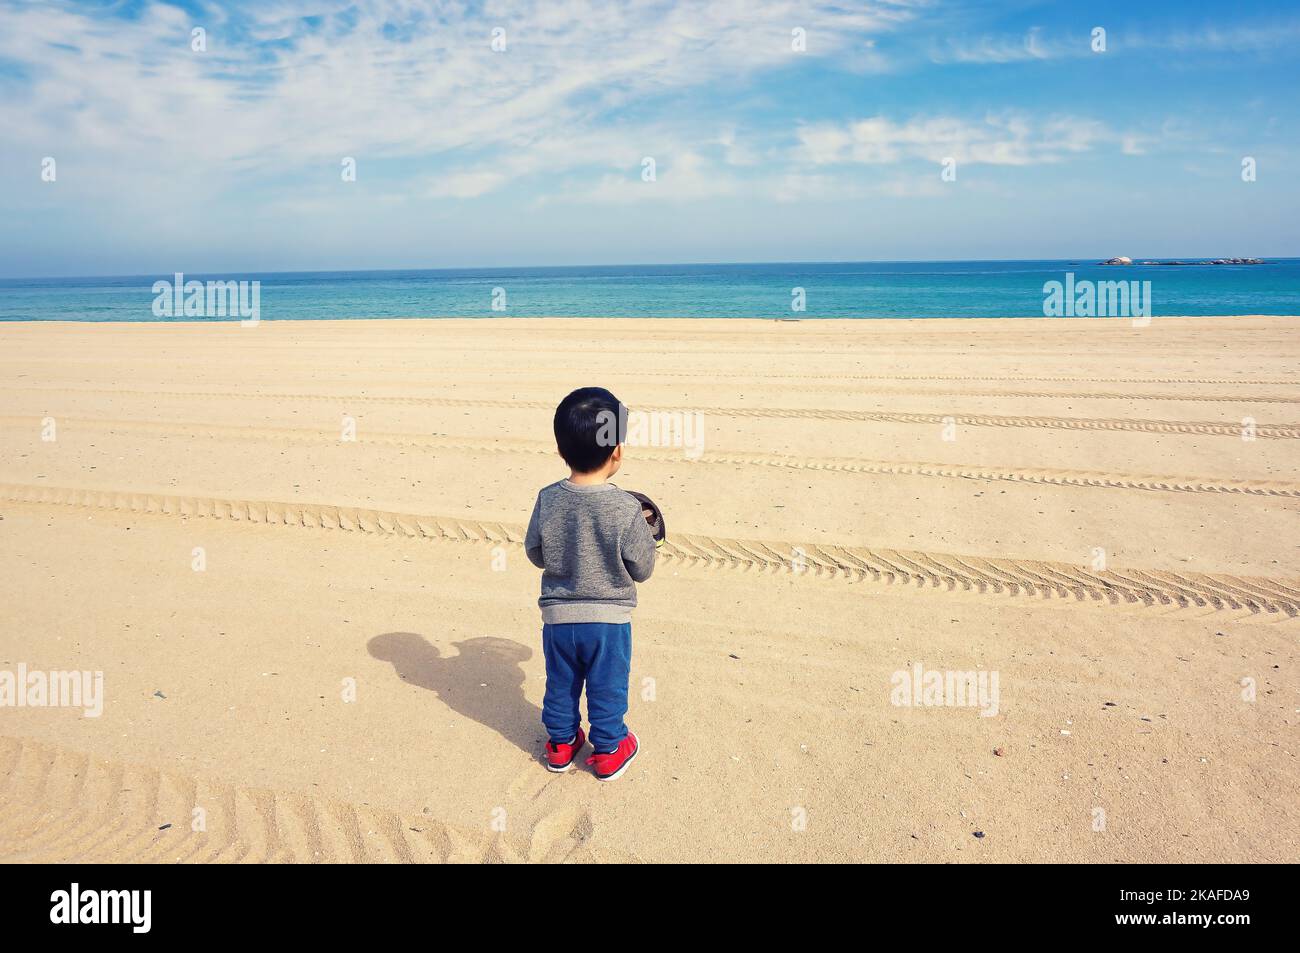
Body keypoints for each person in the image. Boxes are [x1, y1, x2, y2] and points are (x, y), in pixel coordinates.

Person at [524, 387, 657, 781]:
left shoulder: (548, 499)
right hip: (608, 622)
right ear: (616, 450)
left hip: (558, 619)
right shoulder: (626, 507)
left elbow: (535, 552)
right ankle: (610, 748)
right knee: (607, 686)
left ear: (560, 449)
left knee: (561, 683)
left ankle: (561, 745)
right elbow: (642, 568)